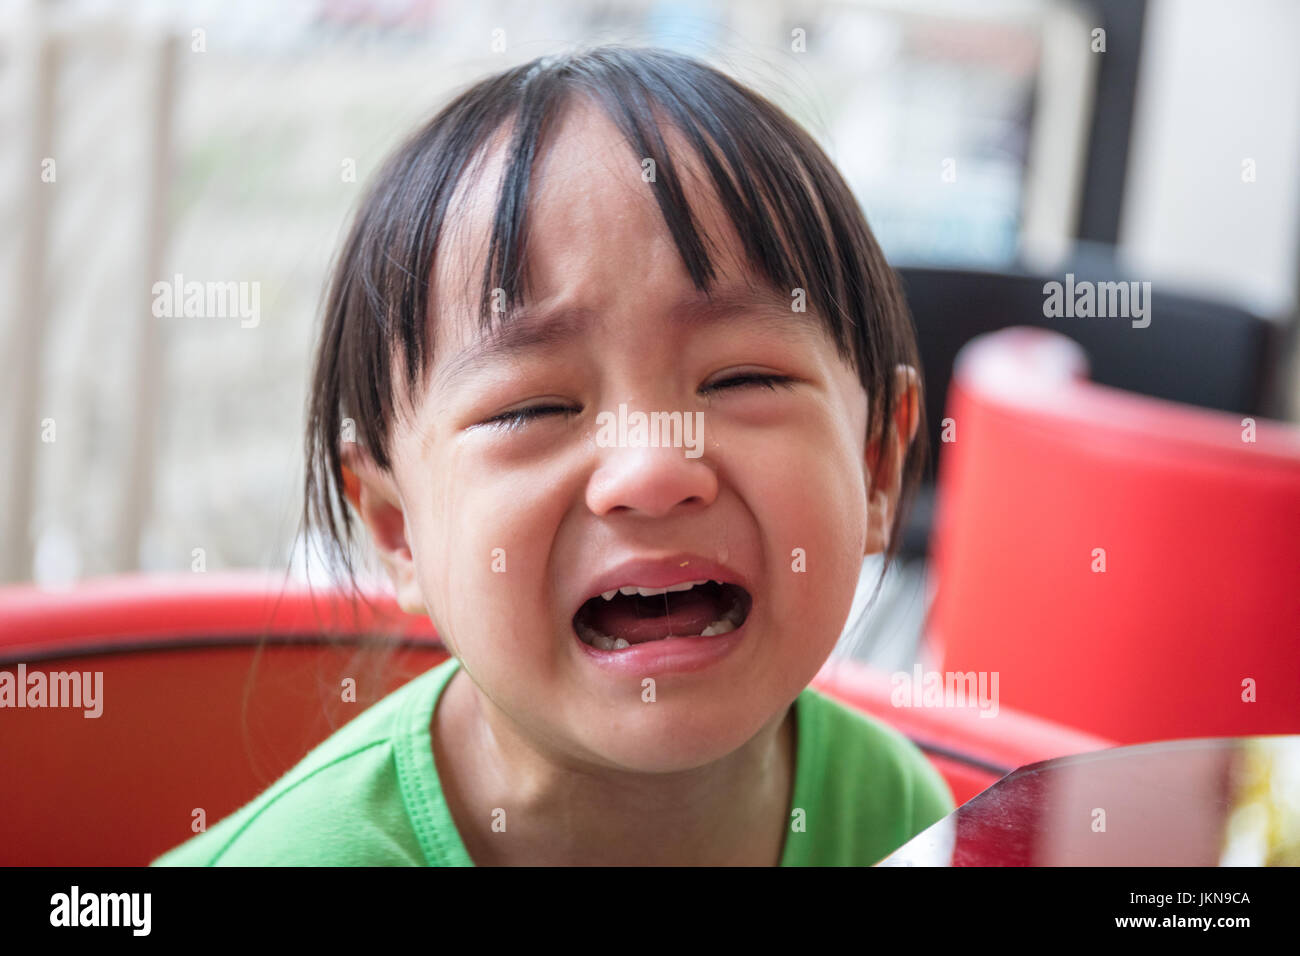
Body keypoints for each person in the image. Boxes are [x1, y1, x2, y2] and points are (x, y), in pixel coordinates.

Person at [153, 45, 953, 867]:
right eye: (533, 407)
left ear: (878, 465)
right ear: (399, 530)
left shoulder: (893, 816)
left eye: (743, 376)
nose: (652, 469)